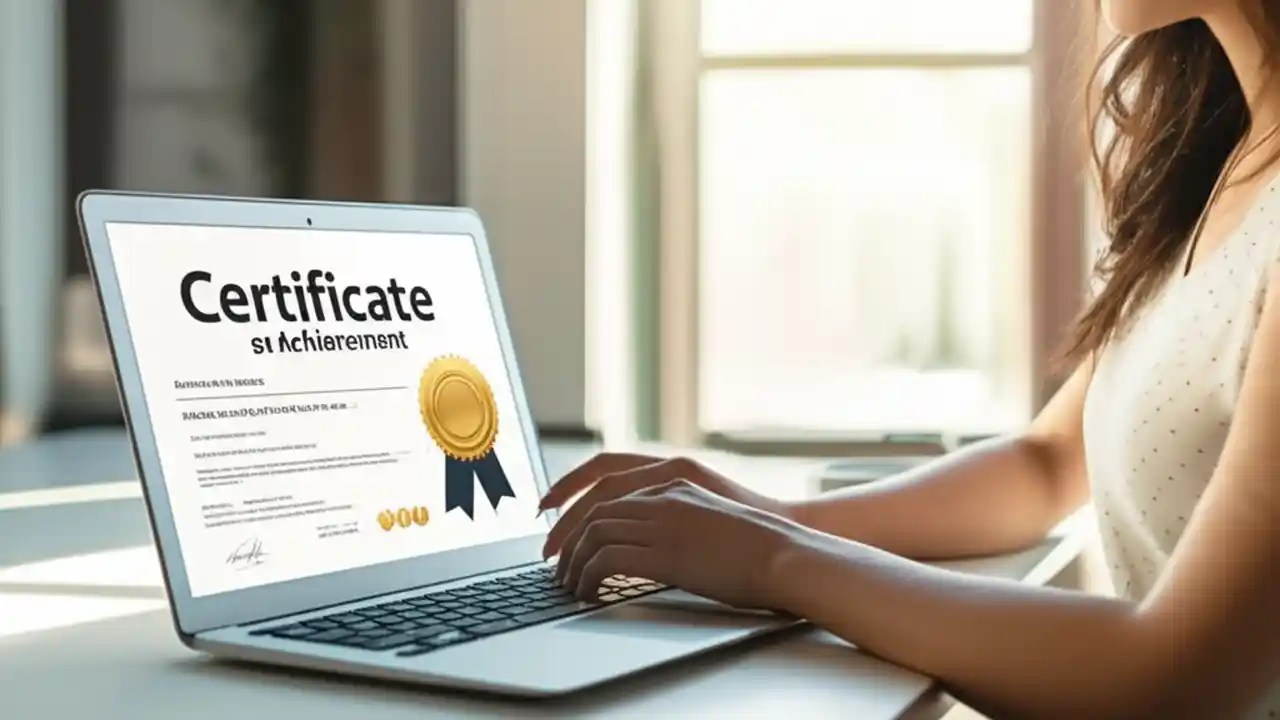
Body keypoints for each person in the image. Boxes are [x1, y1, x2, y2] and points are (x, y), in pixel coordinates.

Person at [539, 1, 1280, 717]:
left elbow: (1181, 678)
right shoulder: (1219, 154)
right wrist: (776, 515)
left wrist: (775, 558)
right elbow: (1049, 461)